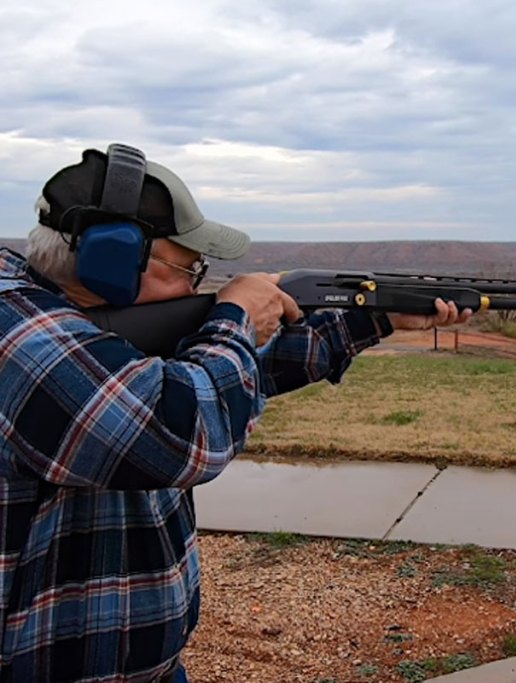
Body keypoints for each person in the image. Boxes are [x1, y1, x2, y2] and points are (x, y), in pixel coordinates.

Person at [0, 144, 471, 682]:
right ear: (114, 259)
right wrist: (237, 318)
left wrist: (375, 318)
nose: (196, 283)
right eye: (189, 267)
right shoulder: (19, 335)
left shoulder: (81, 327)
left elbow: (240, 372)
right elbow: (180, 430)